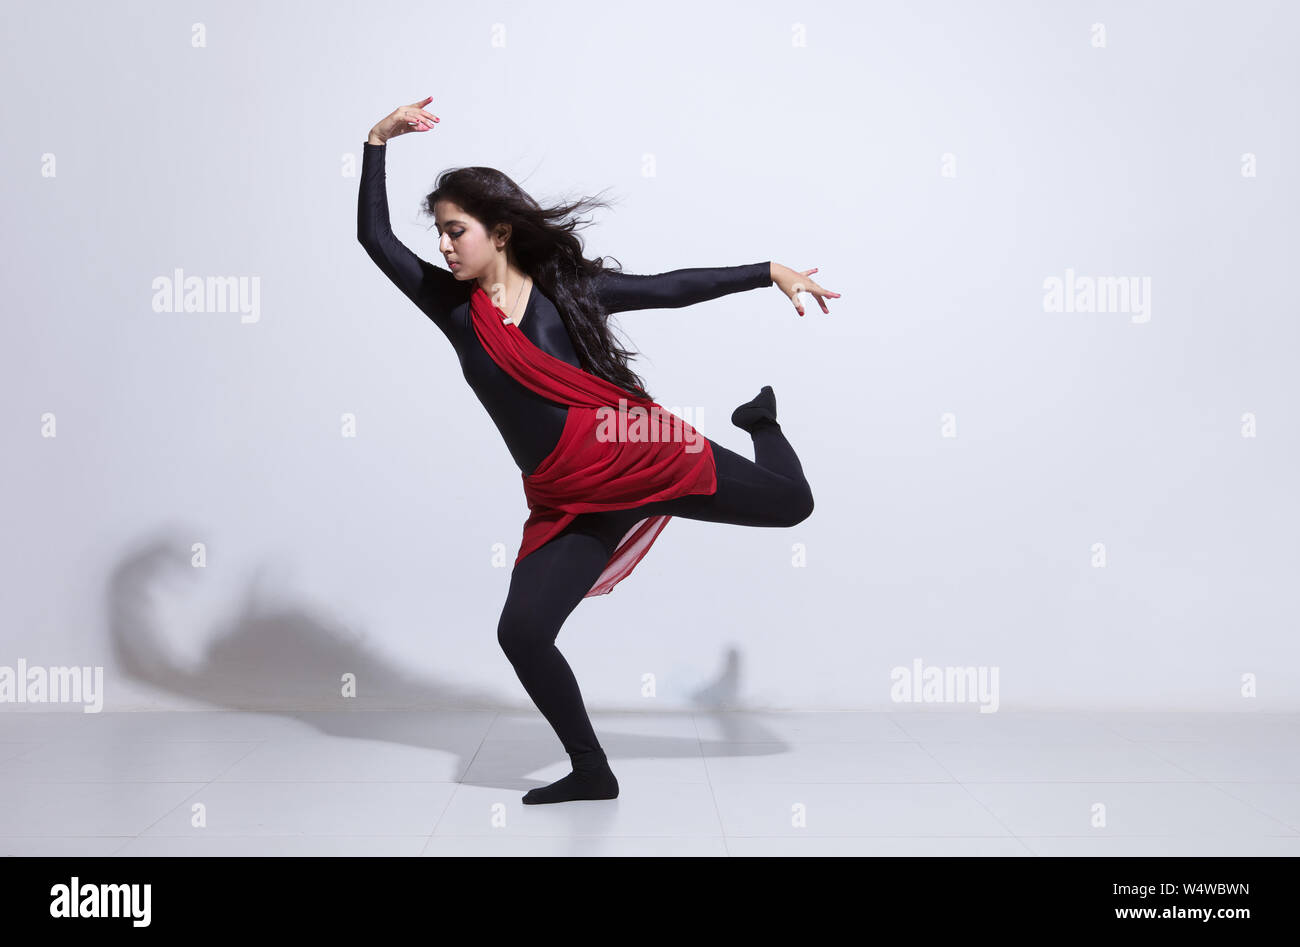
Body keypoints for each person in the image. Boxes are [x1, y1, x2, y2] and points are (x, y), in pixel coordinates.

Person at [357, 96, 840, 804]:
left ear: (499, 231)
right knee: (522, 632)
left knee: (793, 505)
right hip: (567, 495)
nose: (443, 246)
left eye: (455, 231)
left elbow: (669, 288)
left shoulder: (569, 292)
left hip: (642, 453)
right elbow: (374, 238)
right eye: (439, 233)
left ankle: (759, 422)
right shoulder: (454, 309)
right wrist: (375, 142)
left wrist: (768, 269)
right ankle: (592, 770)